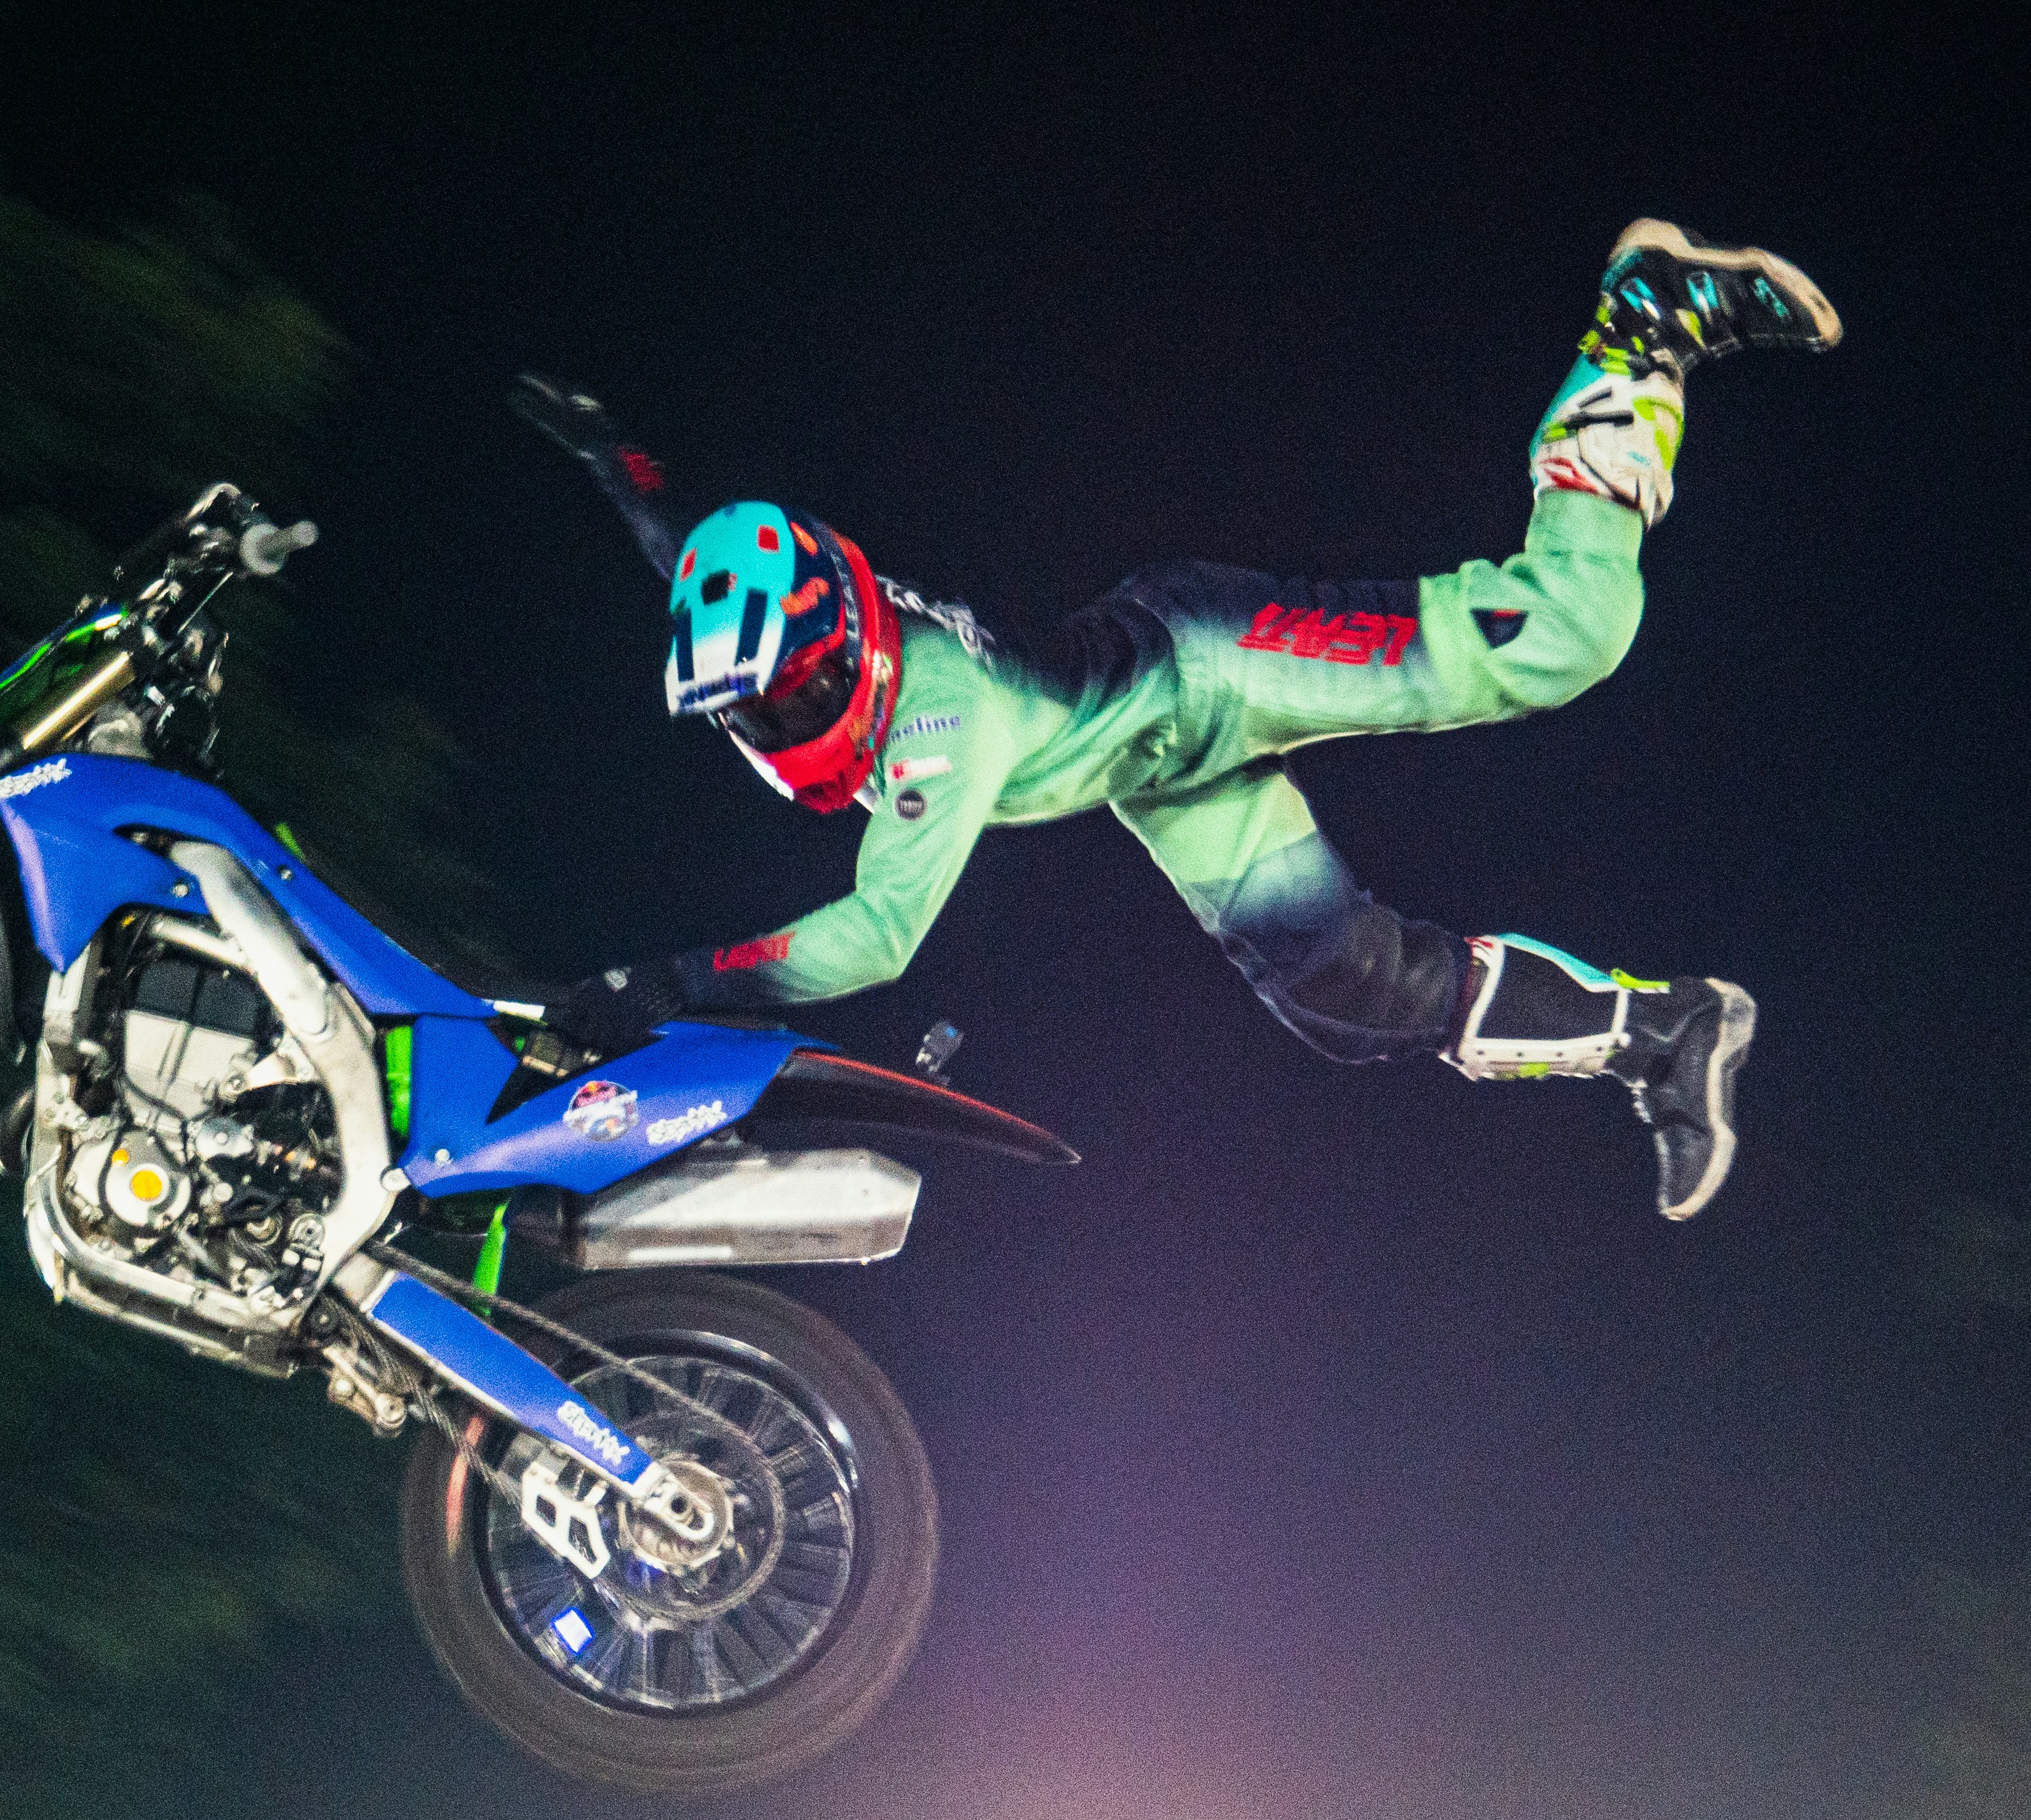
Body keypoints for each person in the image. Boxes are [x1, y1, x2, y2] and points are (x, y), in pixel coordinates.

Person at [518, 220, 1839, 1221]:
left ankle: (1643, 319)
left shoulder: (936, 719)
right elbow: (680, 540)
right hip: (1158, 765)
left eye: (798, 687)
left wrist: (670, 981)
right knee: (1341, 985)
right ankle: (1657, 1033)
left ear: (849, 627)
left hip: (1208, 662)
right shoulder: (810, 614)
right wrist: (607, 457)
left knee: (1565, 637)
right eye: (757, 705)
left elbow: (874, 937)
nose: (791, 715)